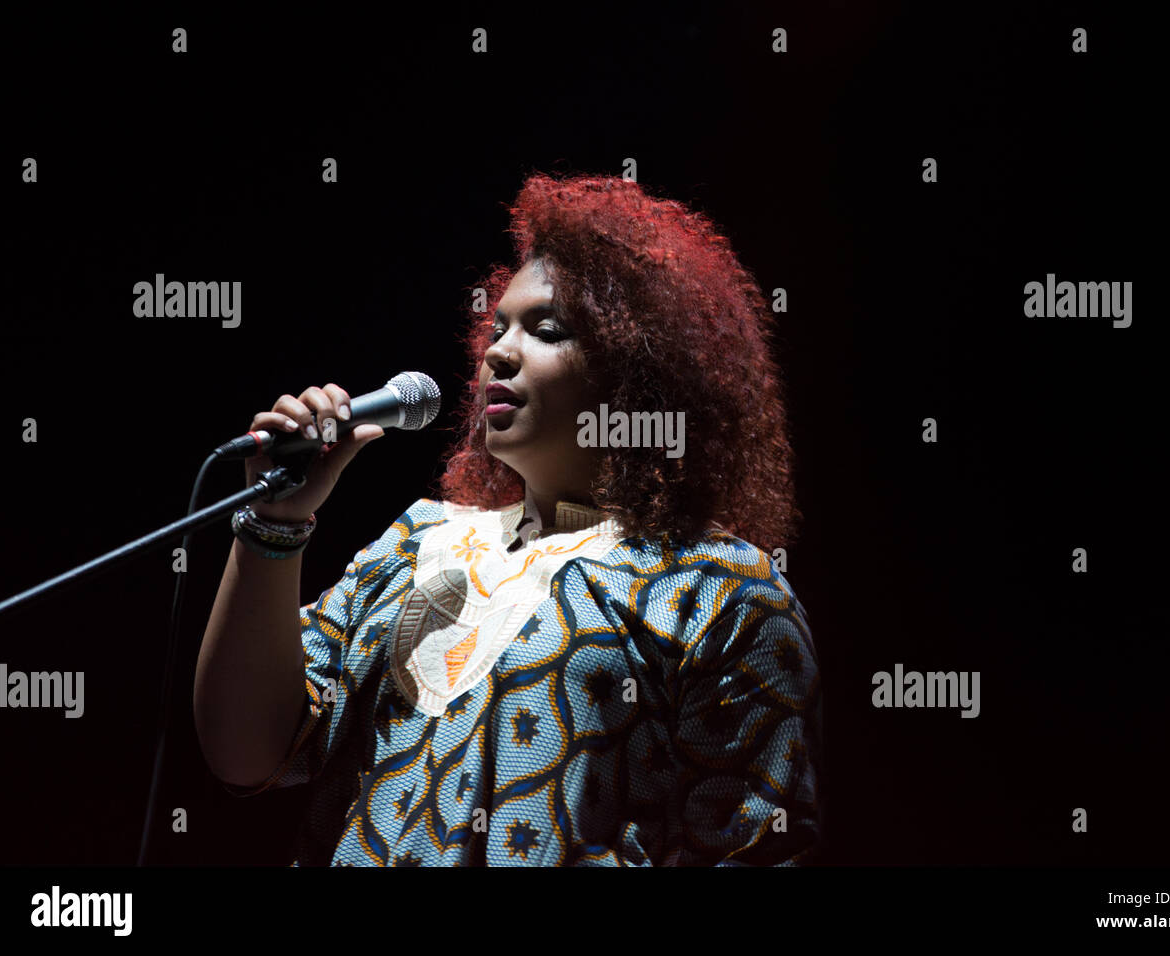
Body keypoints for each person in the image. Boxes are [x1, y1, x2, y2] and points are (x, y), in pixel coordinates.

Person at [194, 173, 823, 866]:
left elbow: (754, 848)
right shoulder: (417, 542)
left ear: (639, 373)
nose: (497, 350)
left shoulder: (717, 589)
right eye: (496, 328)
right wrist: (274, 526)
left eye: (546, 330)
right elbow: (245, 755)